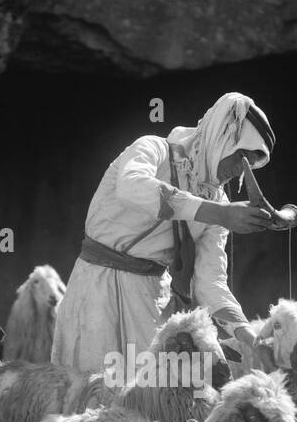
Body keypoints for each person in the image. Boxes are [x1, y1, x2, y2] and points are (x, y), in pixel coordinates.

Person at [51, 91, 277, 374]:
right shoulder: (153, 149)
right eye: (240, 157)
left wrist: (249, 337)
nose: (240, 171)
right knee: (88, 390)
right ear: (222, 138)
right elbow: (132, 186)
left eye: (251, 164)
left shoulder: (219, 202)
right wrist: (219, 213)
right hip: (97, 288)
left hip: (151, 301)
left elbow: (210, 282)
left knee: (149, 400)